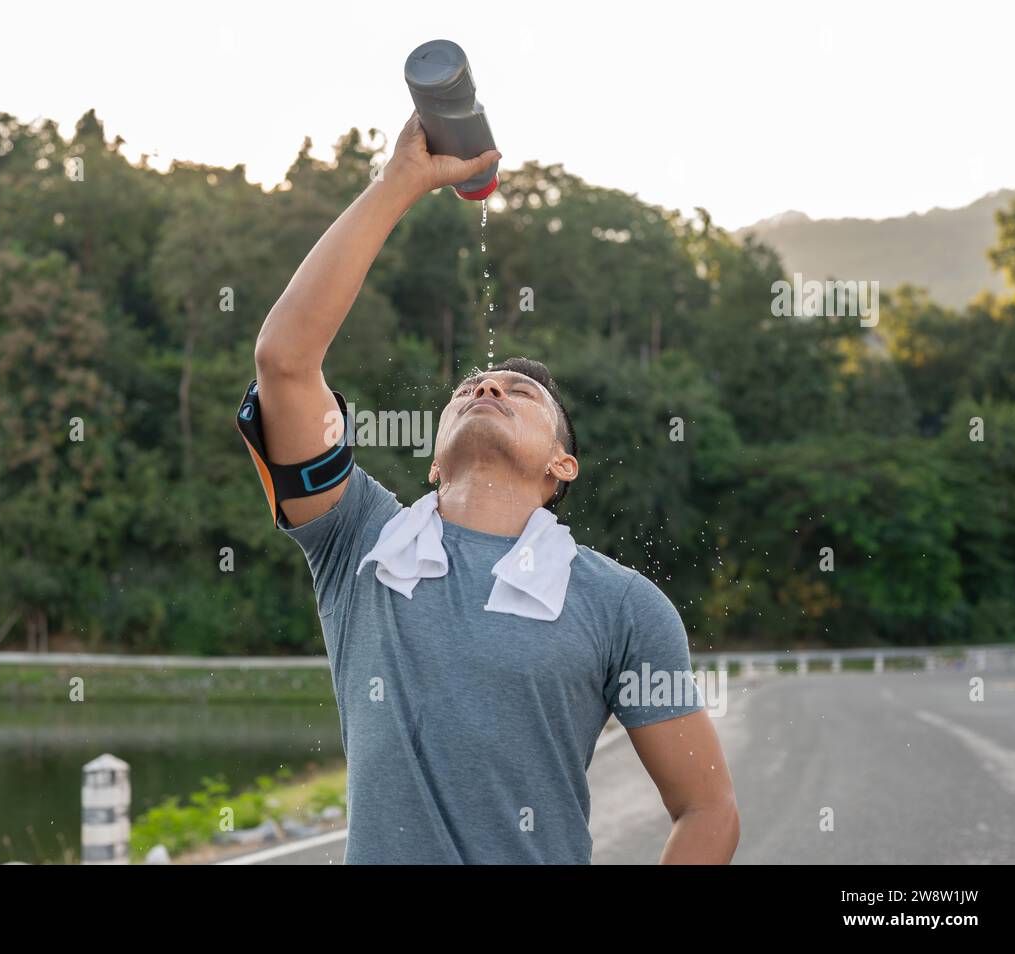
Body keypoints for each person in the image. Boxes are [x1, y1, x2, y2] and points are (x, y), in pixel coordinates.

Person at [241, 110, 739, 864]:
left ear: (560, 468)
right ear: (435, 459)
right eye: (473, 385)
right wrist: (398, 182)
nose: (490, 388)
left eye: (522, 394)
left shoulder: (623, 606)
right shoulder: (360, 539)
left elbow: (706, 810)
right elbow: (284, 360)